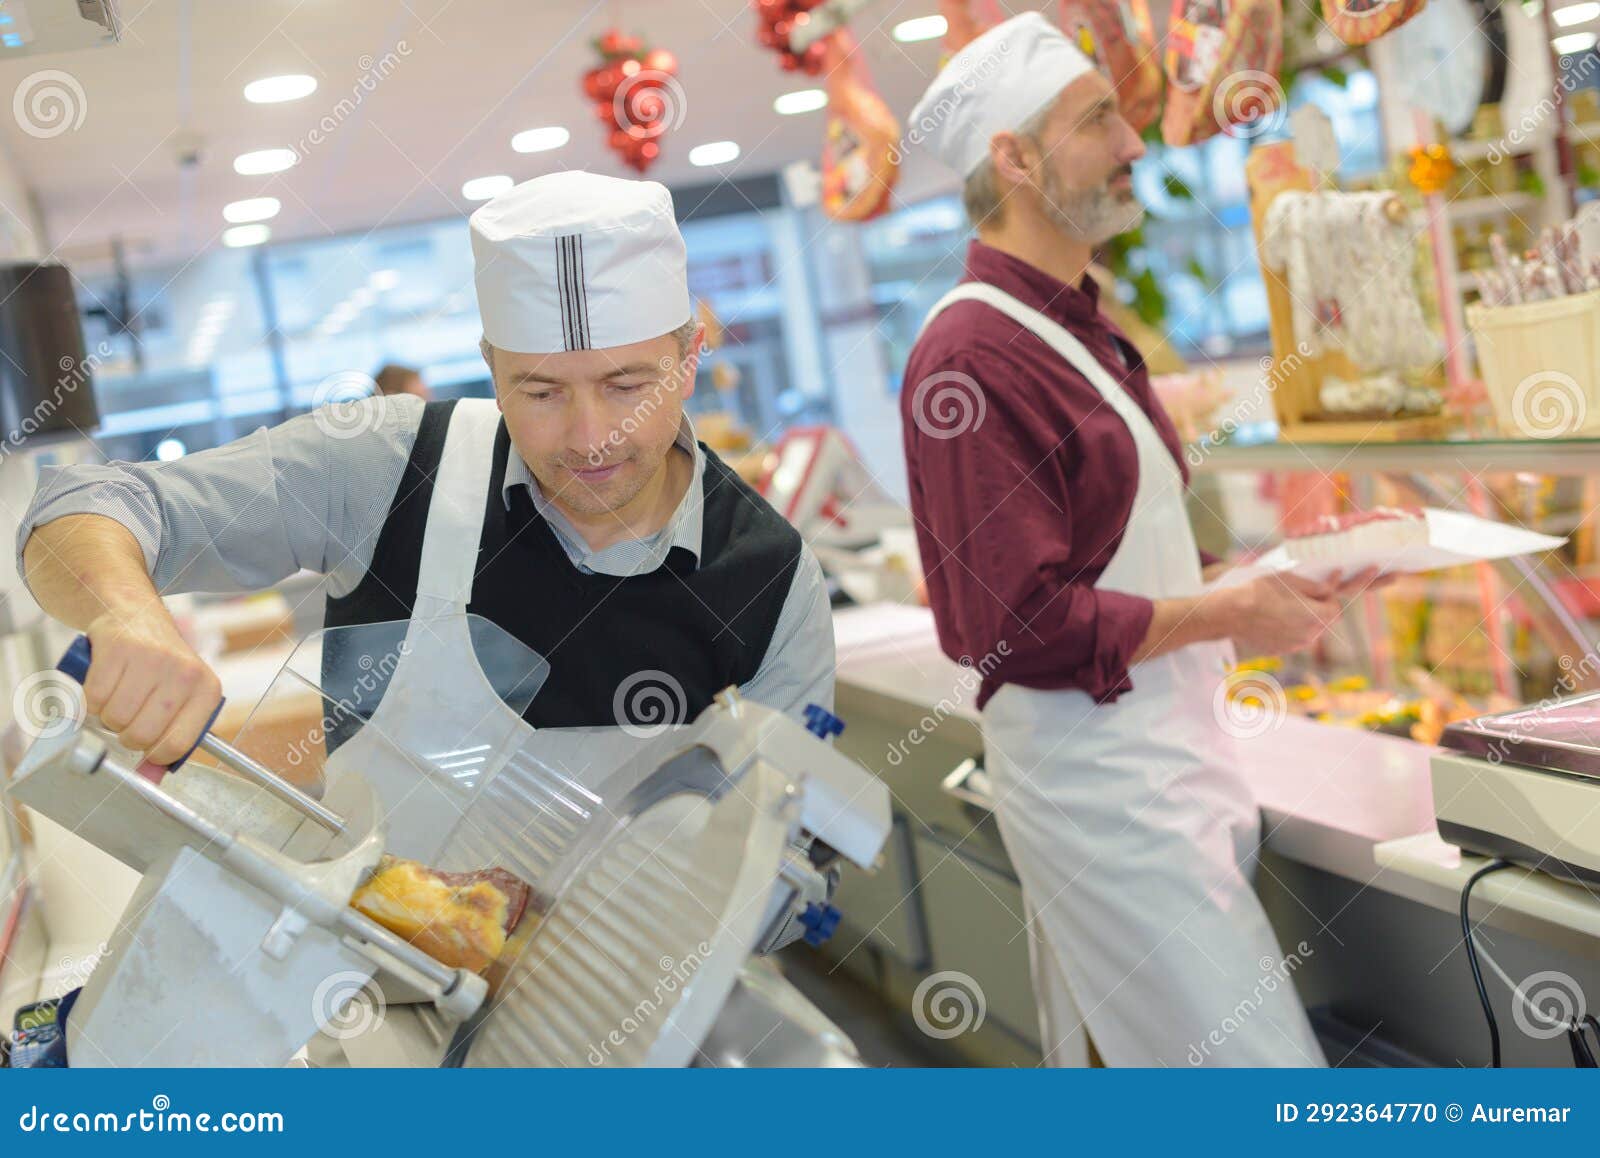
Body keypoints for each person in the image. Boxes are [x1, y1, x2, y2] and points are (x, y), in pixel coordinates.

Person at [901, 12, 1384, 1066]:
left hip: (1162, 766)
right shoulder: (971, 353)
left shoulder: (1075, 321)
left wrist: (1280, 570)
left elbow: (1115, 554)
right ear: (1014, 160)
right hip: (1105, 795)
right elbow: (1008, 624)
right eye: (1100, 120)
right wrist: (1229, 611)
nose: (1134, 144)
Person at [18, 171, 833, 768]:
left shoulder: (769, 574)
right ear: (490, 365)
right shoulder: (386, 463)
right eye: (540, 390)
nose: (590, 436)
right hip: (384, 991)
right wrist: (125, 613)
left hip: (656, 992)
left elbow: (794, 845)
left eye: (627, 385)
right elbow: (85, 504)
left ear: (689, 358)